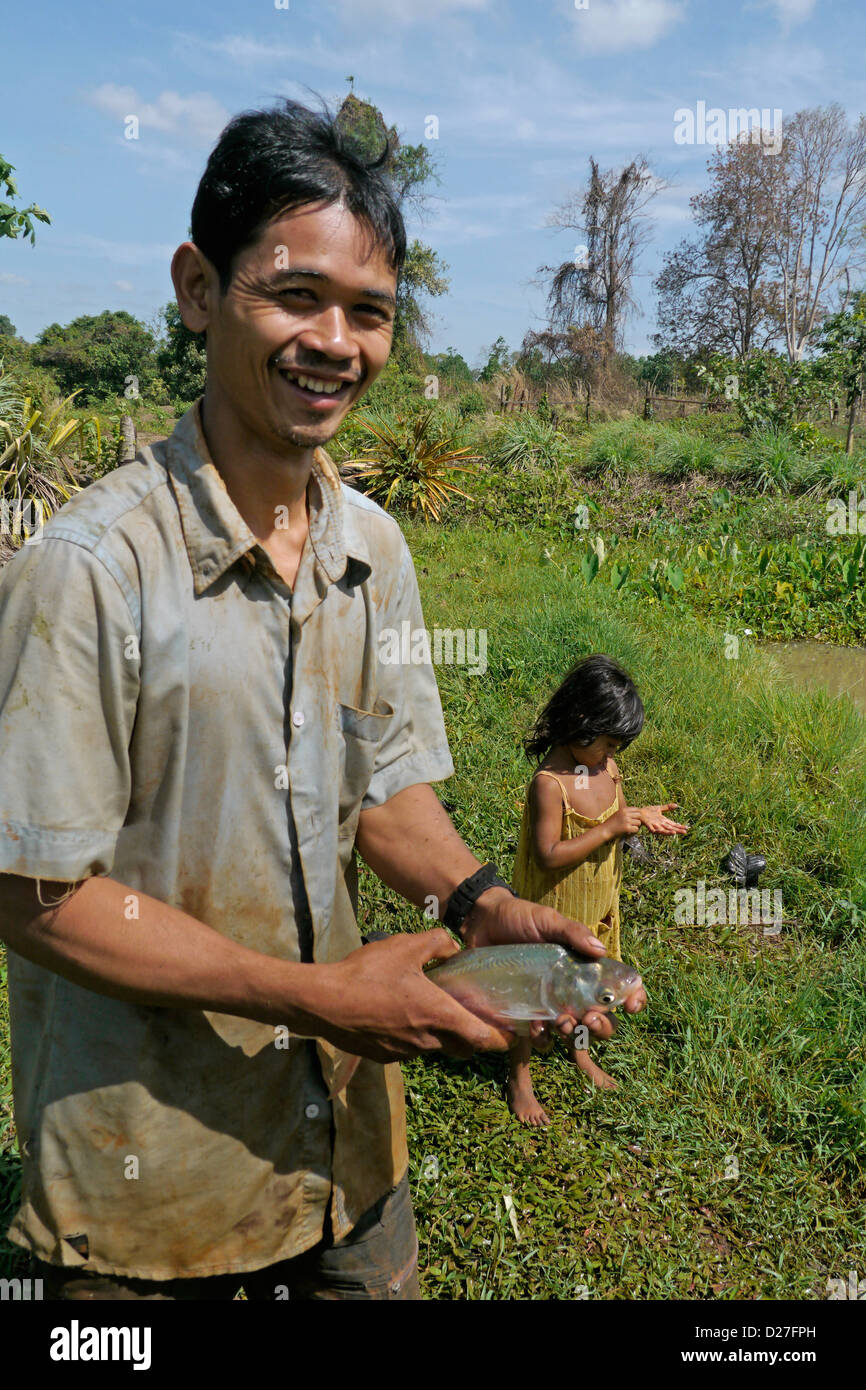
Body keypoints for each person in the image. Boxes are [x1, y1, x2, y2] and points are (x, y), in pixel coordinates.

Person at [0, 100, 642, 1301]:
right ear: (198, 288)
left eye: (369, 311)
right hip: (153, 1192)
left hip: (349, 1161)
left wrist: (483, 900)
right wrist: (314, 997)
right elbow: (33, 896)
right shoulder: (89, 572)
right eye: (296, 296)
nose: (335, 340)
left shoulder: (371, 548)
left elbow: (387, 786)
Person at [507, 655, 686, 1127]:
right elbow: (548, 855)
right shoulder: (550, 784)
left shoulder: (606, 769)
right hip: (551, 905)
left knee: (586, 988)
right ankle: (519, 1076)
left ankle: (580, 1053)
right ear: (581, 724)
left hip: (594, 904)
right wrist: (609, 831)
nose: (611, 757)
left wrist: (638, 817)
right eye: (607, 745)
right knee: (535, 991)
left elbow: (619, 816)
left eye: (616, 749)